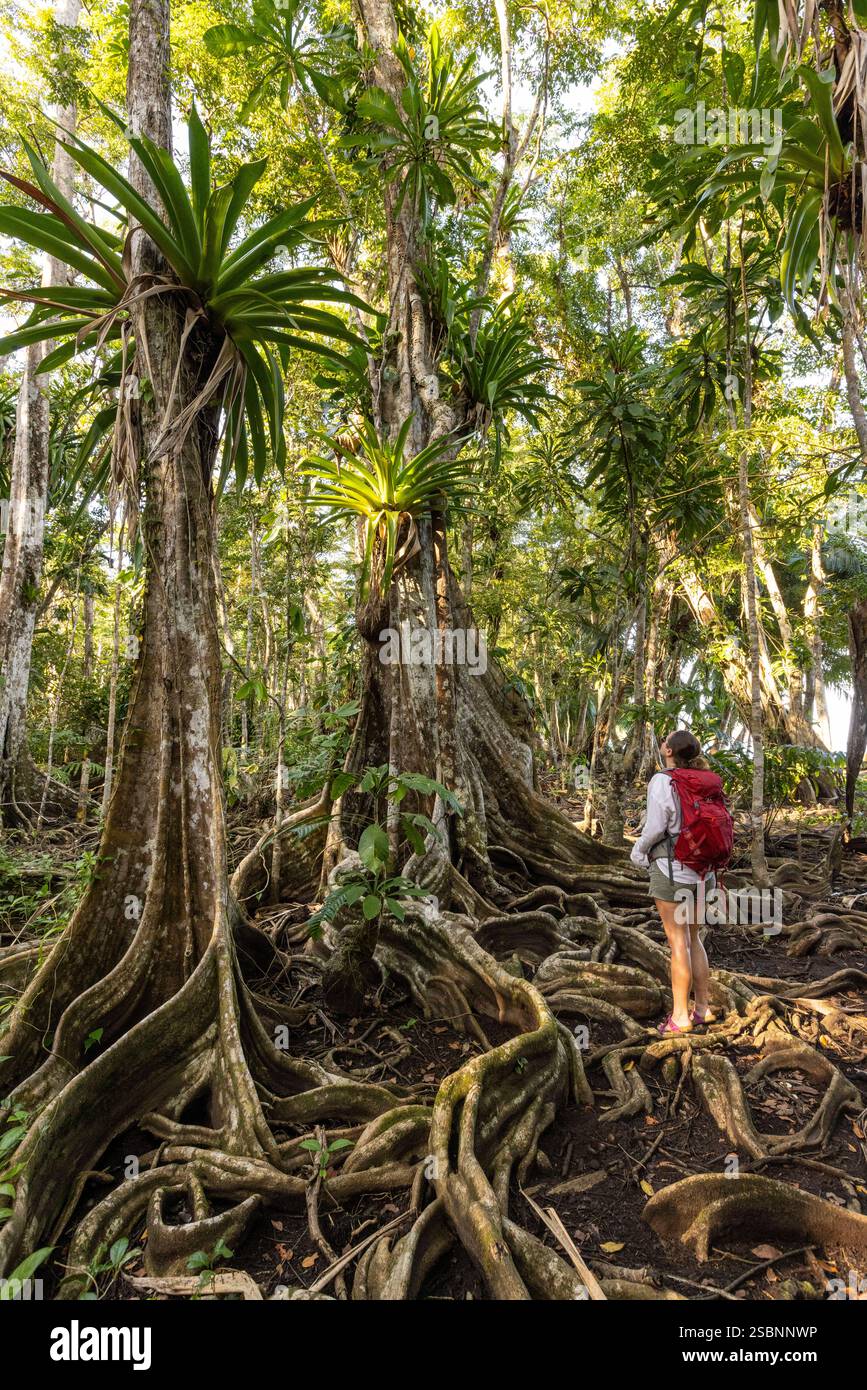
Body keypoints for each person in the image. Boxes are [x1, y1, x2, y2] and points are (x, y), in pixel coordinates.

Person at [630, 730, 719, 1035]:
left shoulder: (663, 780)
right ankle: (702, 1009)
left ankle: (680, 1017)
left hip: (672, 871)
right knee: (693, 939)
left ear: (668, 750)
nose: (661, 743)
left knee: (677, 942)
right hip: (703, 874)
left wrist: (638, 851)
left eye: (664, 740)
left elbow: (655, 828)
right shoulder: (704, 780)